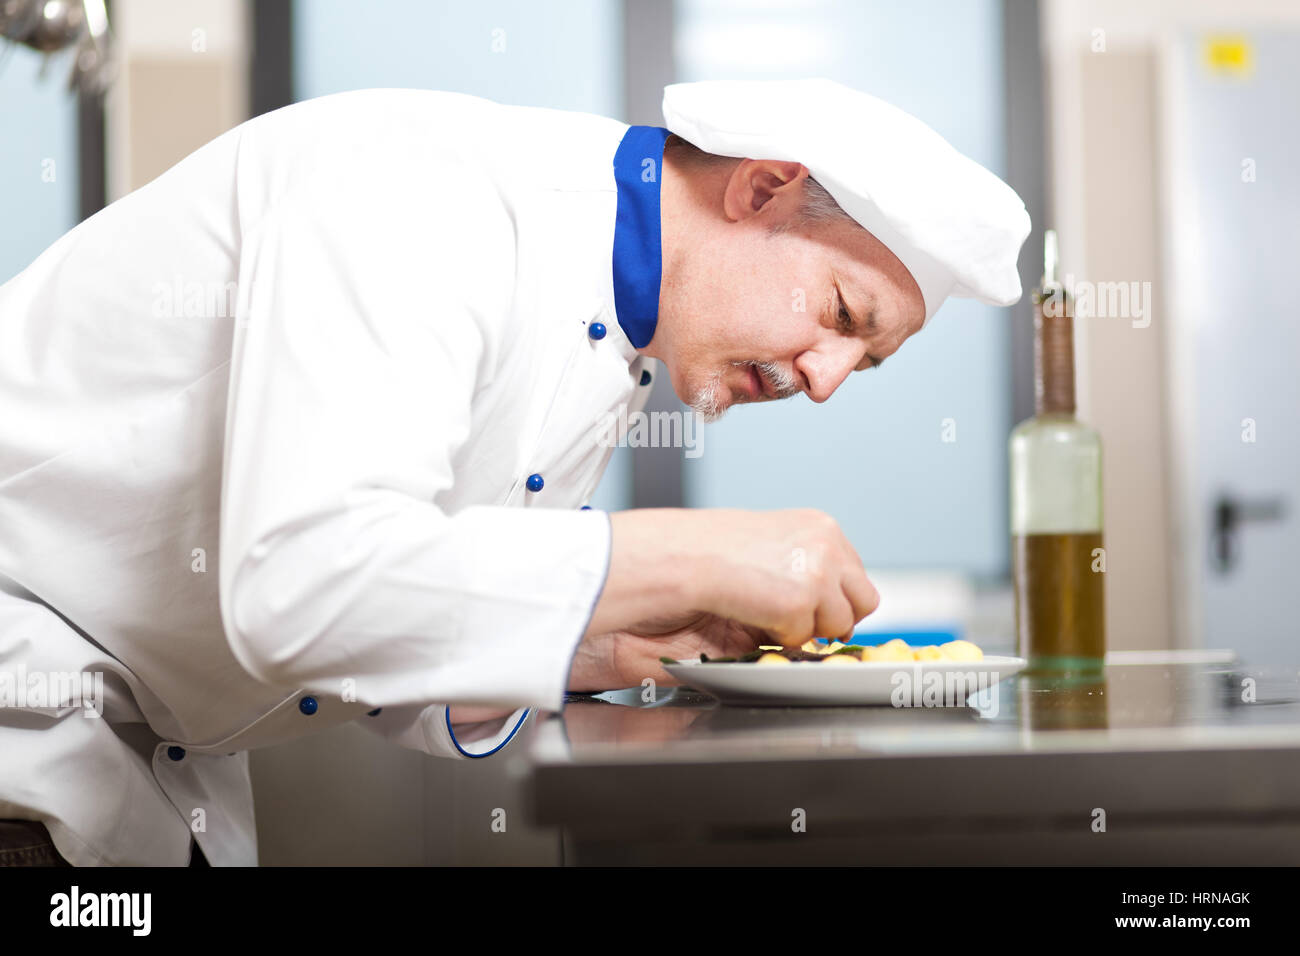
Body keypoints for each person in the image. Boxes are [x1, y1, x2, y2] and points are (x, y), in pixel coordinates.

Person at [0, 78, 1030, 865]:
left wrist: (594, 644)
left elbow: (373, 628)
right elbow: (298, 582)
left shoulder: (616, 347)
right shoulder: (422, 190)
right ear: (762, 187)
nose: (826, 380)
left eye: (868, 358)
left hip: (153, 778)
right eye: (842, 315)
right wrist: (671, 555)